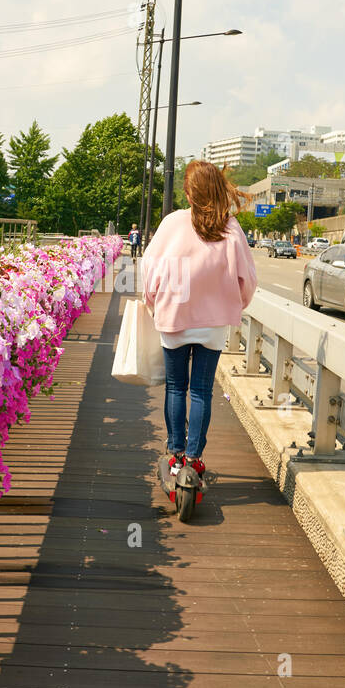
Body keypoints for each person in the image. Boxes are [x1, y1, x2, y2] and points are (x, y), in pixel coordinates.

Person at [142, 160, 257, 477]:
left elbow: (150, 270)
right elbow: (247, 280)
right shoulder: (230, 227)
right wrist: (232, 306)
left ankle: (176, 454)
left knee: (176, 387)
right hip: (214, 323)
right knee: (202, 390)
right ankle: (194, 458)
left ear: (190, 193)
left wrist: (152, 302)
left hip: (174, 317)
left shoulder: (173, 223)